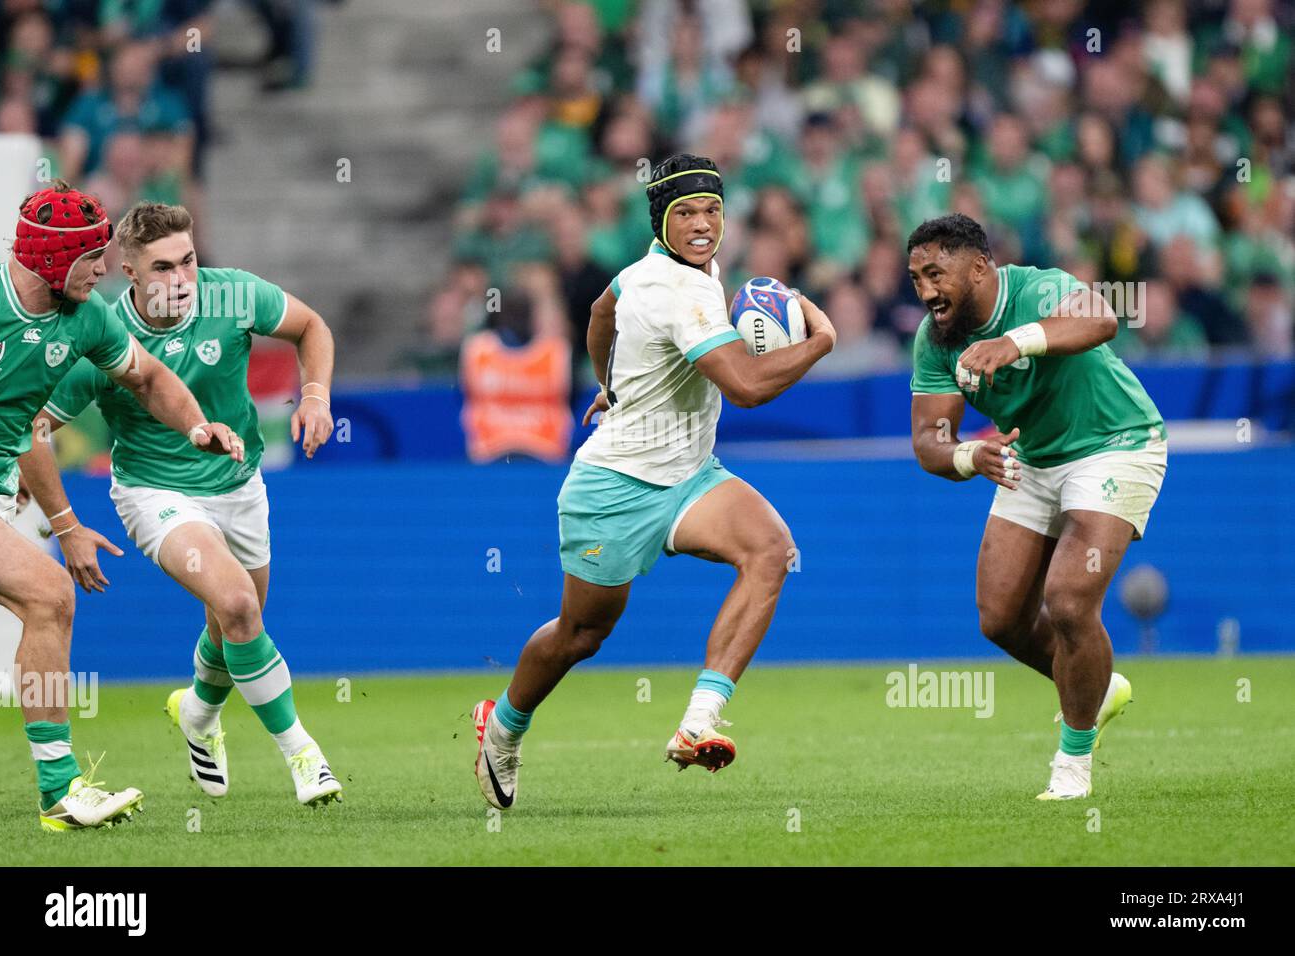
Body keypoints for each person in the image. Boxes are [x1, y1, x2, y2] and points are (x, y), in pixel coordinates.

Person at [472, 154, 836, 810]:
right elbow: (749, 388)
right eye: (686, 213)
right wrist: (820, 339)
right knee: (580, 635)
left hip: (690, 479)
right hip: (612, 487)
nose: (702, 225)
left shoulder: (650, 272)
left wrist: (611, 386)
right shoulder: (680, 290)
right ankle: (502, 728)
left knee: (770, 550)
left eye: (712, 211)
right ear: (661, 222)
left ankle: (699, 720)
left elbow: (598, 313)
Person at [19, 201, 342, 808]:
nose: (181, 280)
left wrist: (316, 395)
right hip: (155, 493)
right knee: (240, 603)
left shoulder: (234, 296)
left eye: (188, 261)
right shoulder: (102, 335)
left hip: (239, 482)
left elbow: (312, 327)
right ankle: (303, 754)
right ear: (131, 275)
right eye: (163, 268)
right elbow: (36, 426)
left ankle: (195, 713)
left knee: (233, 627)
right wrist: (59, 518)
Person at [0, 182, 243, 831]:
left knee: (45, 601)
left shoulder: (88, 318)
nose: (104, 269)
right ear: (53, 262)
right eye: (91, 258)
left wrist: (194, 426)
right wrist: (65, 526)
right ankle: (58, 790)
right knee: (48, 596)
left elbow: (149, 378)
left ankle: (57, 790)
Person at [907, 213, 1168, 800]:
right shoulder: (935, 339)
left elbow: (1101, 318)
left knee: (1070, 600)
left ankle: (1072, 764)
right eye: (916, 278)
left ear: (979, 267)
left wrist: (1016, 340)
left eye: (935, 273)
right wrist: (972, 457)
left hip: (1114, 443)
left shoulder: (1037, 288)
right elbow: (929, 439)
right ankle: (1097, 688)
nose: (926, 292)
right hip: (1032, 458)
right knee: (1000, 618)